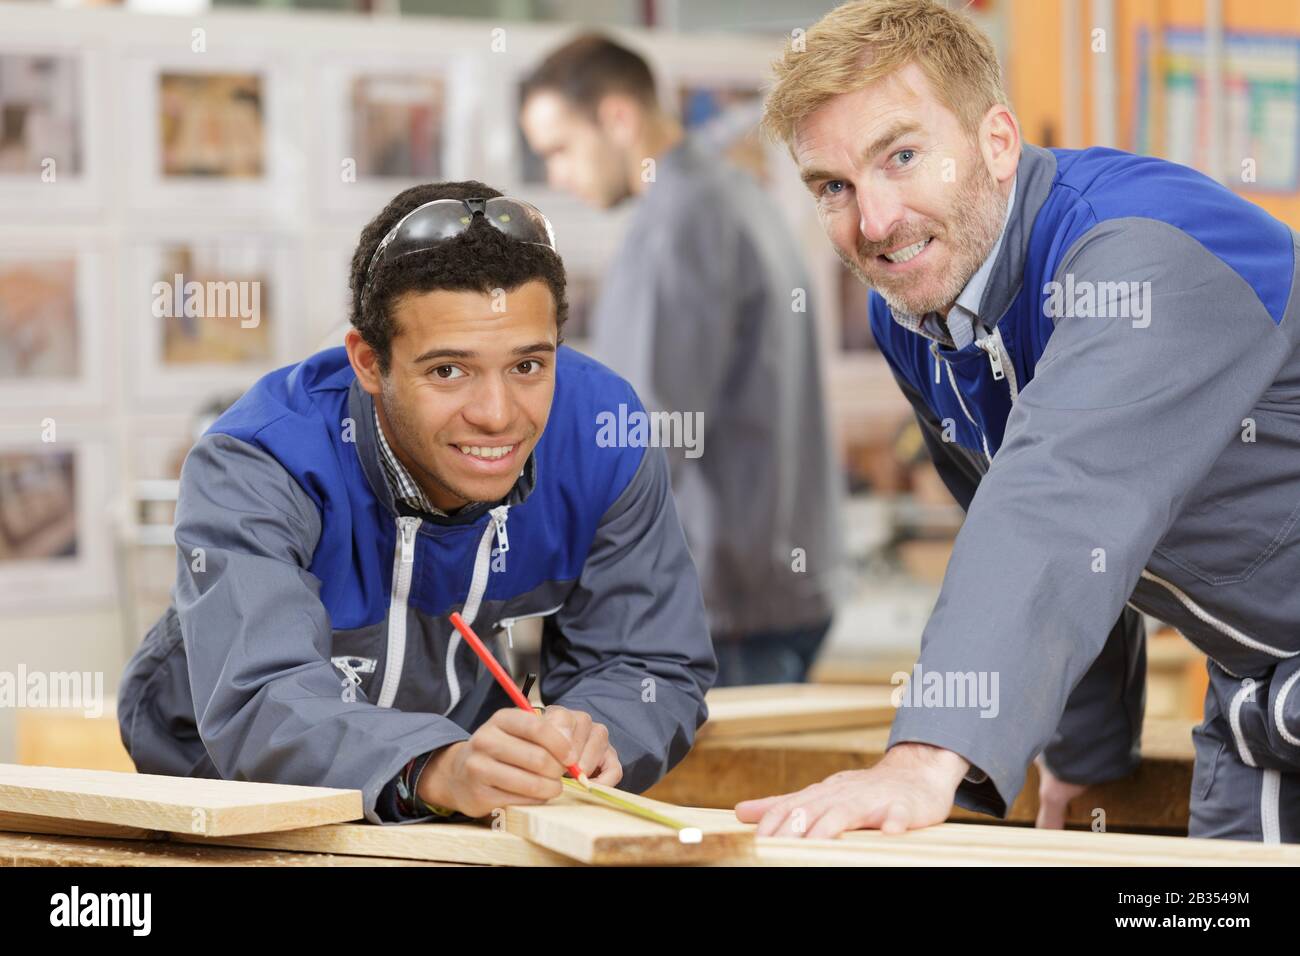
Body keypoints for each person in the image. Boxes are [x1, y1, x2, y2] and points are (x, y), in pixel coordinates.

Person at [738, 0, 1300, 842]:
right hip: (1258, 687)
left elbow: (1060, 501)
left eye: (902, 155)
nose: (876, 221)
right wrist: (1086, 756)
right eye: (835, 187)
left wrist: (930, 756)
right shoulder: (919, 312)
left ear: (997, 142)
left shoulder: (1139, 253)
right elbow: (1045, 537)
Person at [118, 180, 716, 823]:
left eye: (527, 366)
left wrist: (595, 736)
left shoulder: (604, 434)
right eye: (447, 371)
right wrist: (435, 767)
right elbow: (263, 697)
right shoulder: (257, 461)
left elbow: (648, 660)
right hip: (230, 786)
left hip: (452, 783)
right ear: (369, 363)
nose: (497, 416)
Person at [520, 34, 843, 685]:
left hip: (725, 609)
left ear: (617, 117)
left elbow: (644, 435)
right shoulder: (733, 194)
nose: (556, 175)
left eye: (560, 149)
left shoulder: (678, 224)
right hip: (773, 588)